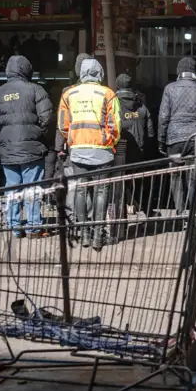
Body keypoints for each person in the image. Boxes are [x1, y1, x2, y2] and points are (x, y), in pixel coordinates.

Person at [0, 55, 52, 238]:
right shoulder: (36, 90)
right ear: (27, 69)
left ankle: (14, 226)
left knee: (12, 187)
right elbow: (46, 117)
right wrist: (38, 134)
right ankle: (33, 227)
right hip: (32, 148)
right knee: (32, 187)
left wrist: (4, 139)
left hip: (8, 150)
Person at [58, 59, 120, 250]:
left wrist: (73, 141)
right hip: (102, 150)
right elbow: (115, 125)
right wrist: (109, 142)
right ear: (99, 73)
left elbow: (62, 125)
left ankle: (84, 234)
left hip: (78, 151)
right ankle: (97, 236)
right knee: (102, 191)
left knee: (81, 190)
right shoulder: (108, 94)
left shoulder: (68, 94)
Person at [157, 56, 196, 210]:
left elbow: (163, 117)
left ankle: (180, 213)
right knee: (194, 177)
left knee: (176, 175)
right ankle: (194, 212)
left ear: (179, 71)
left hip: (174, 141)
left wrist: (161, 141)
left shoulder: (170, 88)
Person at [113, 73, 154, 165]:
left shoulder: (113, 105)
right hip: (139, 153)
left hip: (119, 155)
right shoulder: (141, 105)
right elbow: (150, 132)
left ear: (117, 86)